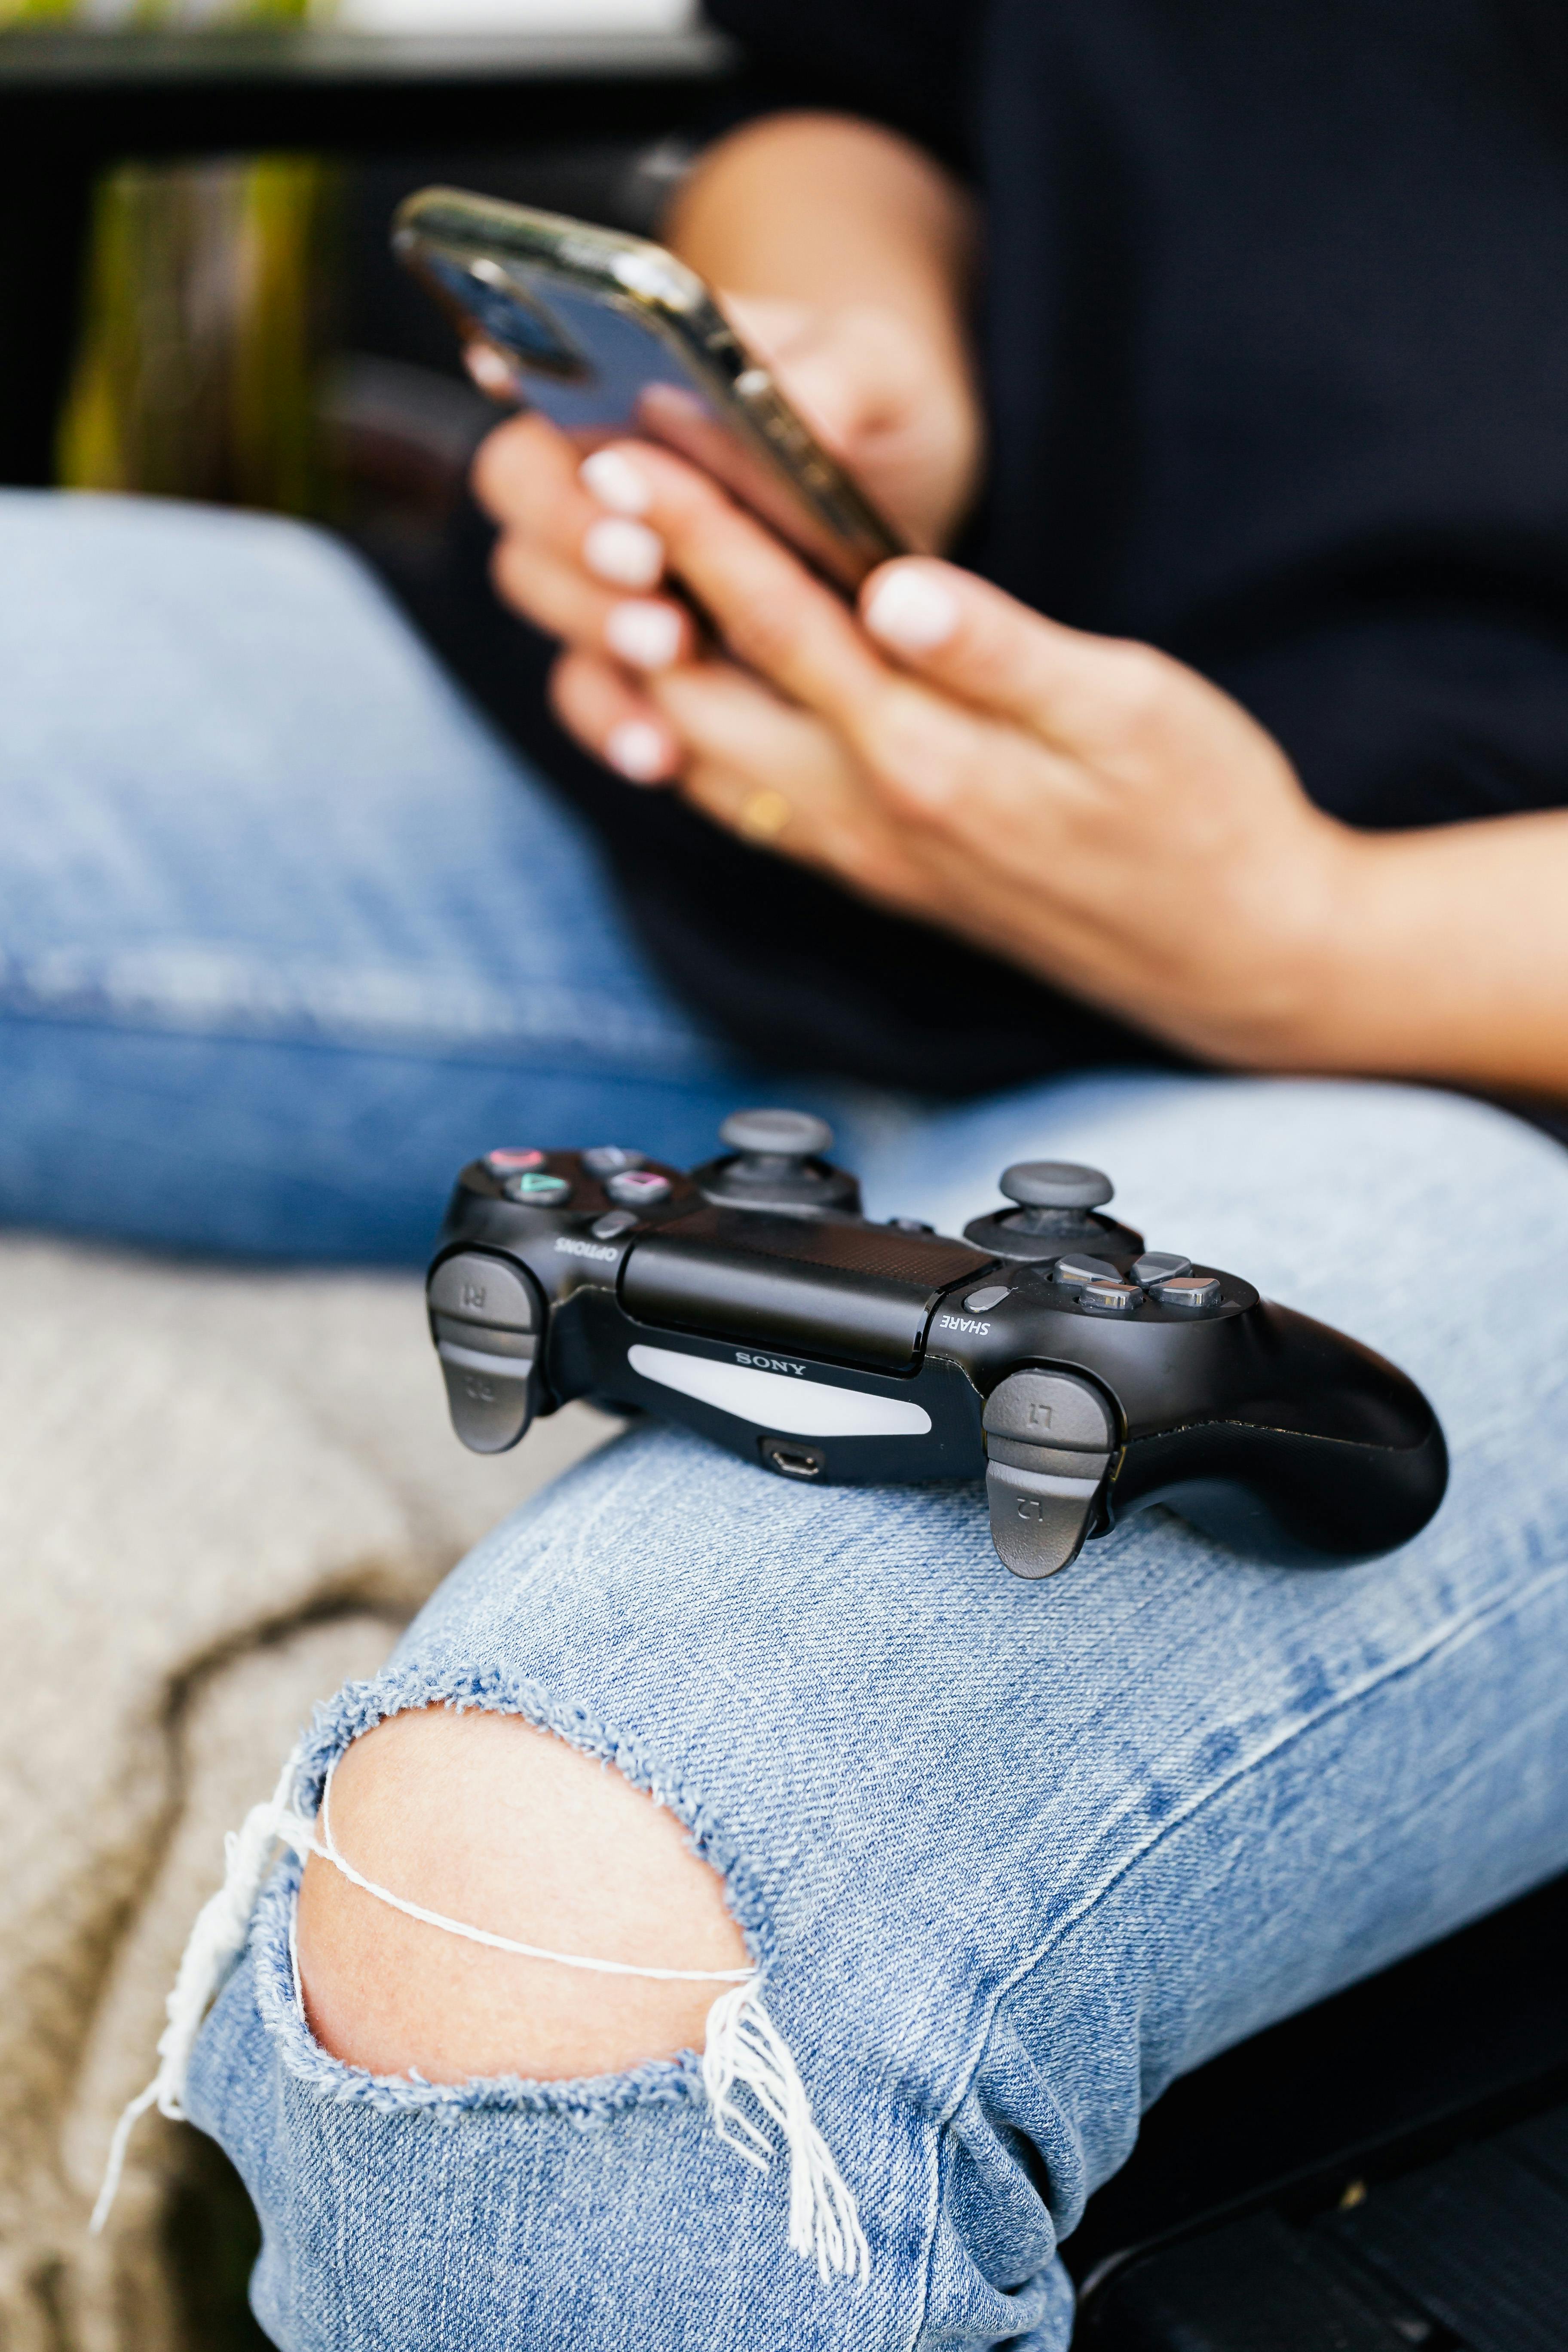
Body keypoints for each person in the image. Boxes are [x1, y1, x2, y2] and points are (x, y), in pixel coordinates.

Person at [6, 1, 1568, 2343]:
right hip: (771, 773)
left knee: (548, 1922)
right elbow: (862, 85)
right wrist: (833, 382)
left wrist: (1320, 940)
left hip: (1464, 1020)